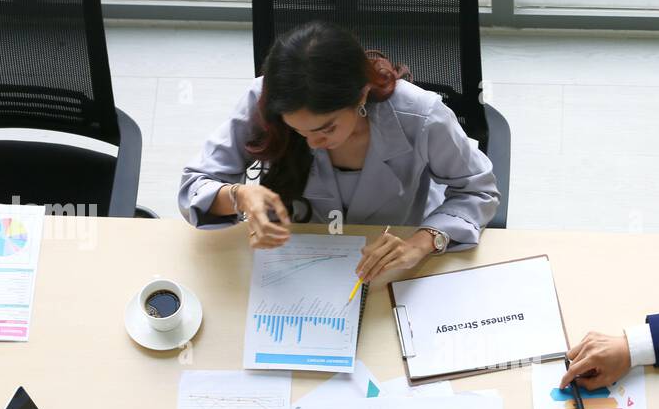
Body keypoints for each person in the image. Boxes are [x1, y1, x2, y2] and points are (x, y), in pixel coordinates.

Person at [178, 20, 499, 284]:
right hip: (297, 260)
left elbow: (478, 190)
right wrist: (239, 195)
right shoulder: (262, 99)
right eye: (297, 131)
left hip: (391, 261)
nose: (312, 143)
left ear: (361, 96)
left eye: (326, 129)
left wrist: (425, 241)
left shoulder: (421, 115)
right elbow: (195, 185)